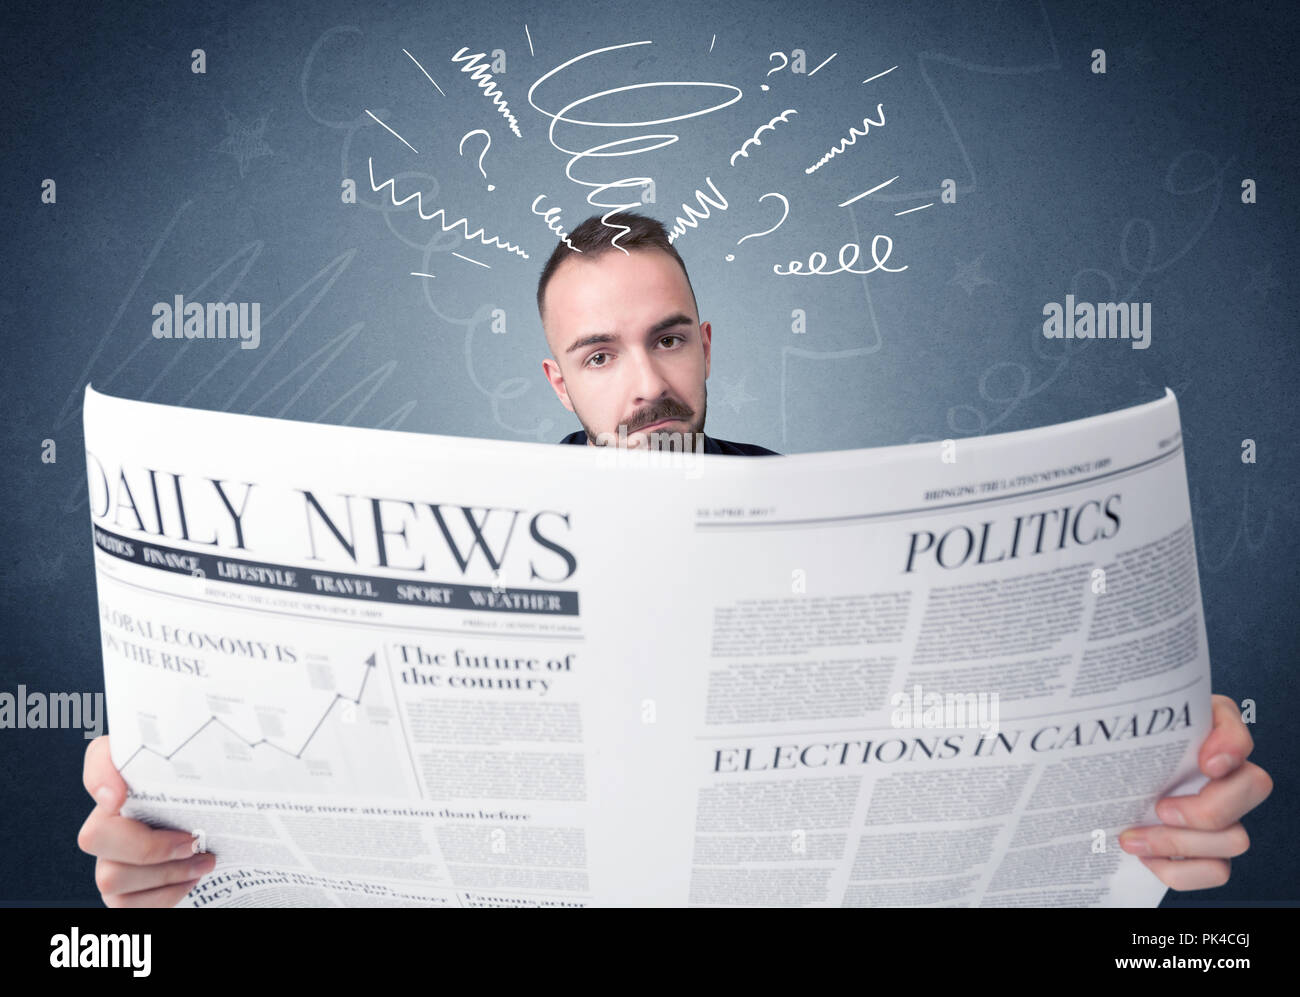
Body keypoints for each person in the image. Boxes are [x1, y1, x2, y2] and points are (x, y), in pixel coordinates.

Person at [77, 211, 1272, 906]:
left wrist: (1158, 785)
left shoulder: (846, 539)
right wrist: (167, 864)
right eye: (599, 356)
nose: (645, 385)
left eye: (667, 340)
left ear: (707, 345)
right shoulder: (474, 564)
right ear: (558, 381)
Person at [538, 212, 779, 456]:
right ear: (562, 387)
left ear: (705, 351)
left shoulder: (790, 489)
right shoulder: (517, 494)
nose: (651, 388)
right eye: (599, 358)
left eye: (668, 342)